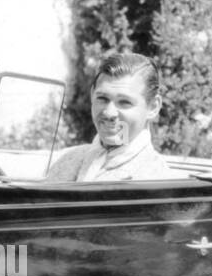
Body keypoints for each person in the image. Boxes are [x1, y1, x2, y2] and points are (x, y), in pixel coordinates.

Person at [45, 51, 172, 182]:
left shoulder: (158, 180)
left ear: (153, 107)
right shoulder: (67, 161)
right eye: (102, 98)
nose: (109, 113)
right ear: (92, 95)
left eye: (124, 102)